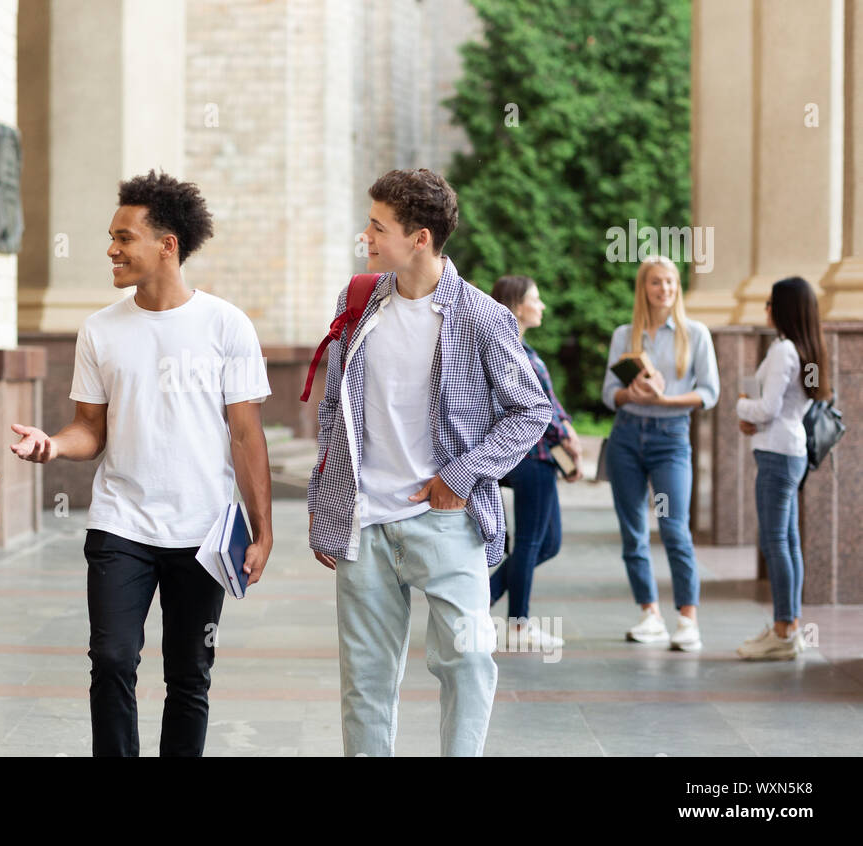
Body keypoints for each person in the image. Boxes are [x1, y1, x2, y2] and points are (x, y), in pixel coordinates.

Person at [9, 170, 273, 757]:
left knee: (188, 673)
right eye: (112, 236)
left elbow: (247, 435)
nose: (111, 249)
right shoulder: (100, 329)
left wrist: (264, 531)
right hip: (120, 523)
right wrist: (52, 444)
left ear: (167, 245)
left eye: (124, 237)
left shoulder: (226, 325)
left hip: (203, 530)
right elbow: (88, 430)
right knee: (110, 659)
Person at [307, 169, 550, 757]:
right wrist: (326, 509)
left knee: (468, 661)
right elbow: (334, 412)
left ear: (419, 238)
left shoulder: (483, 317)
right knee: (364, 683)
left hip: (445, 521)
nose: (365, 236)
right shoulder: (358, 301)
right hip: (363, 522)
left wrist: (461, 476)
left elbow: (531, 410)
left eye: (378, 226)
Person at [601, 256, 719, 652]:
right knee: (633, 530)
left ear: (677, 287)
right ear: (644, 288)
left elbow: (709, 393)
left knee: (672, 526)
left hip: (670, 440)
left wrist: (666, 398)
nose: (663, 289)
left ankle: (687, 618)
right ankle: (649, 613)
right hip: (627, 440)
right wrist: (628, 393)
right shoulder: (625, 334)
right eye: (655, 282)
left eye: (669, 282)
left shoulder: (695, 334)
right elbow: (607, 394)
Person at [735, 277, 828, 660]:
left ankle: (784, 630)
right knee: (786, 541)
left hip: (776, 452)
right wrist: (749, 398)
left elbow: (767, 408)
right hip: (790, 451)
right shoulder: (803, 348)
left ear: (785, 308)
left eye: (771, 302)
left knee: (776, 542)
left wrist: (741, 407)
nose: (766, 309)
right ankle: (786, 626)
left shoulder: (784, 351)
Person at [488, 275, 581, 650]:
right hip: (530, 457)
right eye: (535, 299)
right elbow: (534, 409)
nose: (541, 306)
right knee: (529, 543)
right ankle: (518, 626)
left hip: (543, 457)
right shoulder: (509, 350)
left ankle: (477, 607)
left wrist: (567, 429)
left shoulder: (522, 349)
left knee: (548, 543)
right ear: (516, 305)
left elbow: (550, 402)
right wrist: (565, 438)